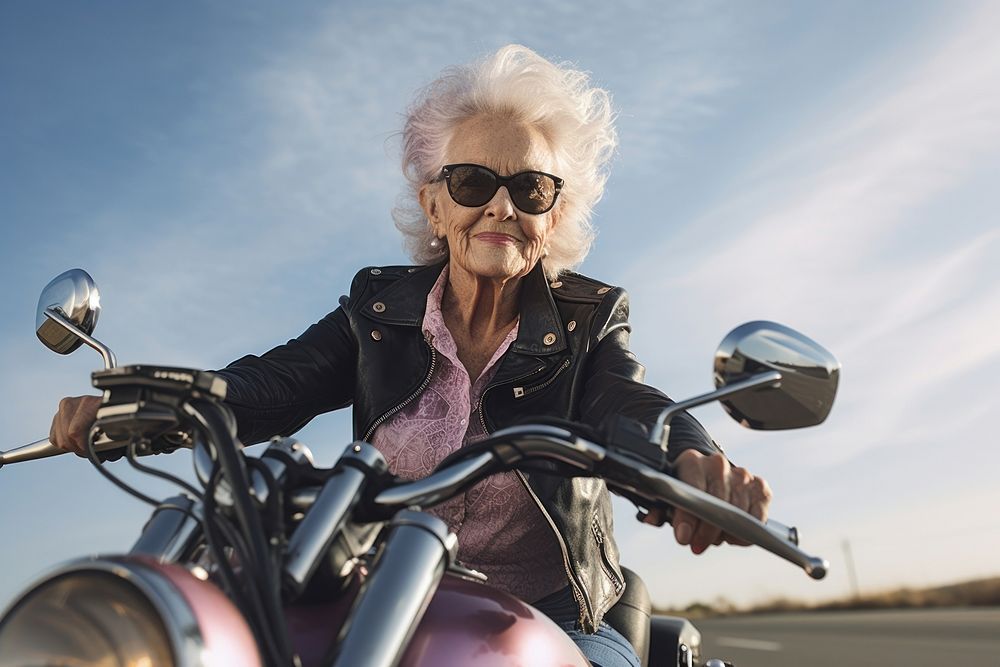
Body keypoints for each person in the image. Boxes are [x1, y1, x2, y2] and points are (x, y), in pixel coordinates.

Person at [49, 45, 772, 667]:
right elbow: (272, 381)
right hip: (389, 592)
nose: (501, 206)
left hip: (555, 613)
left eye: (531, 188)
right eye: (471, 181)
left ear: (552, 218)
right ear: (434, 206)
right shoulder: (376, 312)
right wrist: (152, 402)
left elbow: (630, 404)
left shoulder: (587, 322)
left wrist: (686, 459)